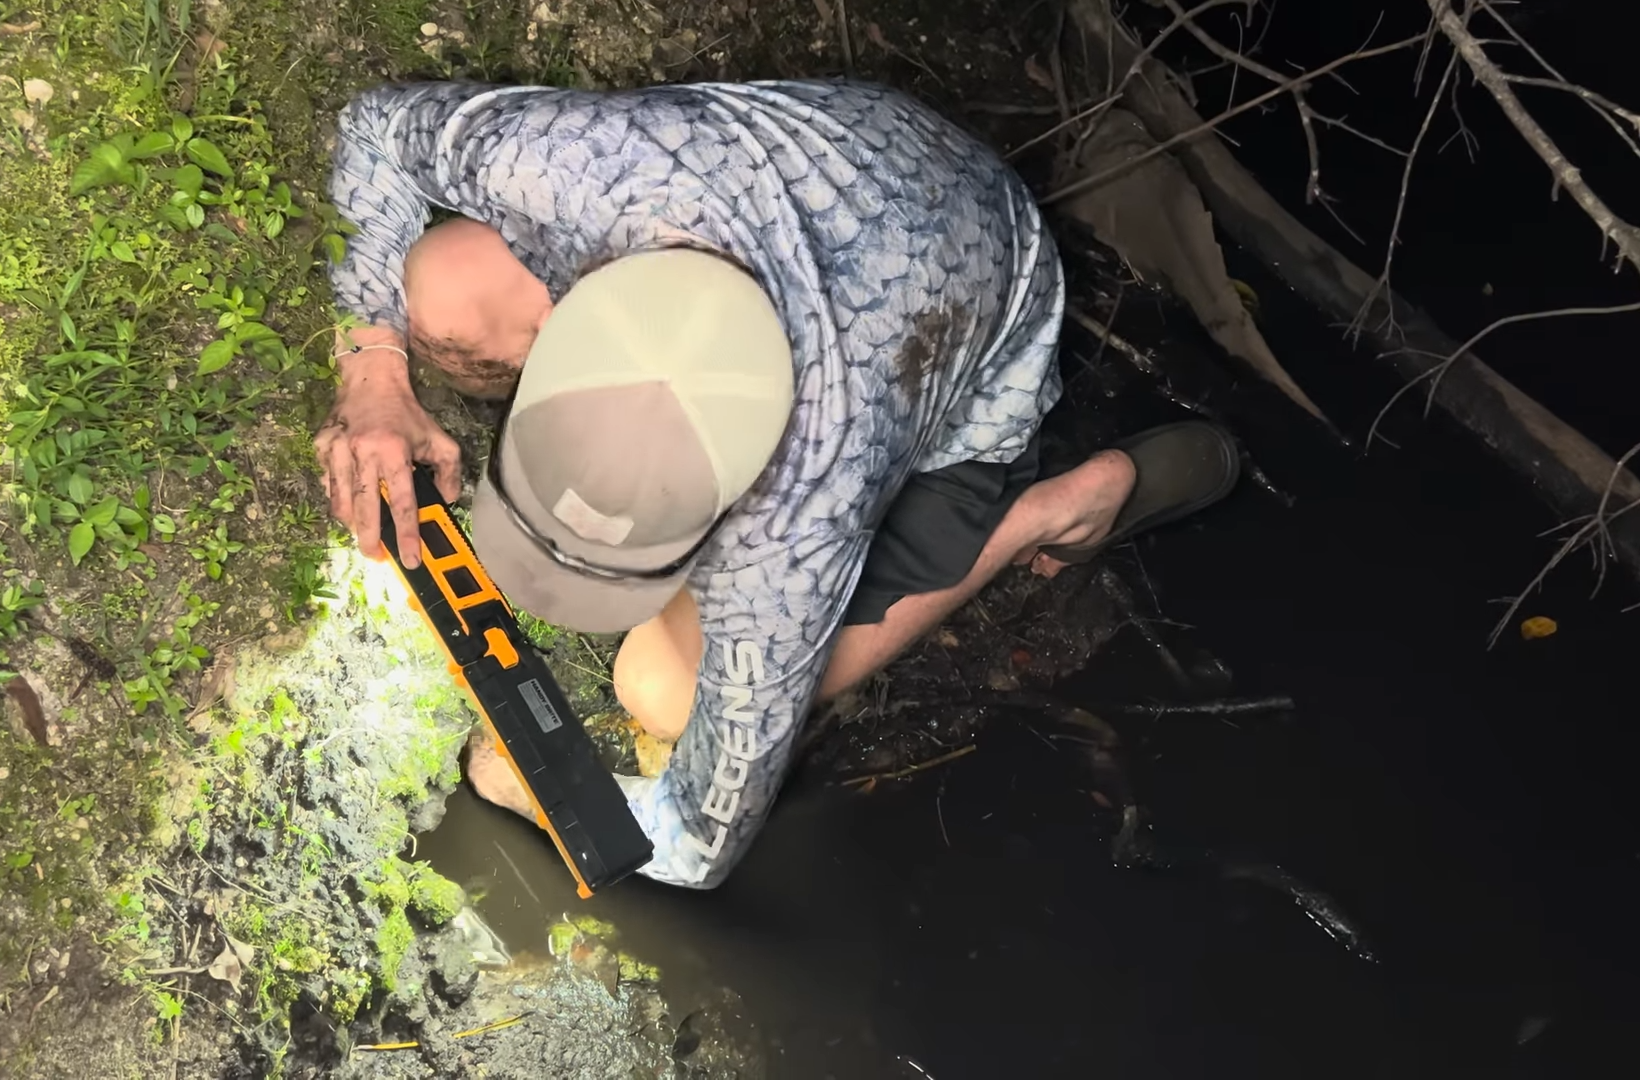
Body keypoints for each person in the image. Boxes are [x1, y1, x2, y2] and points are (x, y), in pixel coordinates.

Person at [314, 78, 1240, 890]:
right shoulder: (589, 164)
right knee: (439, 288)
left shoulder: (798, 527)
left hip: (976, 318)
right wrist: (372, 378)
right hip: (886, 158)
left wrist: (514, 781)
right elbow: (375, 128)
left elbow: (695, 842)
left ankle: (1048, 505)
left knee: (660, 687)